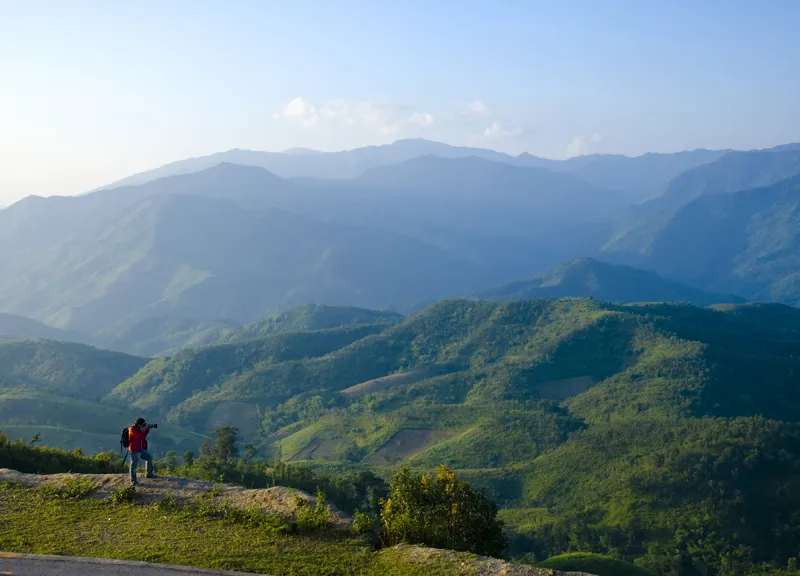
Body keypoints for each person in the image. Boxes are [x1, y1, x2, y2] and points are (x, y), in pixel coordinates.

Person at [128, 417, 157, 485]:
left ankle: (149, 473)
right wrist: (144, 430)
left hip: (140, 449)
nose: (144, 425)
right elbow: (139, 437)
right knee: (134, 466)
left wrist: (147, 430)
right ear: (139, 424)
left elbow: (143, 437)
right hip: (134, 450)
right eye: (143, 424)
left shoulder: (139, 429)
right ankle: (134, 481)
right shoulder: (132, 429)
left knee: (149, 458)